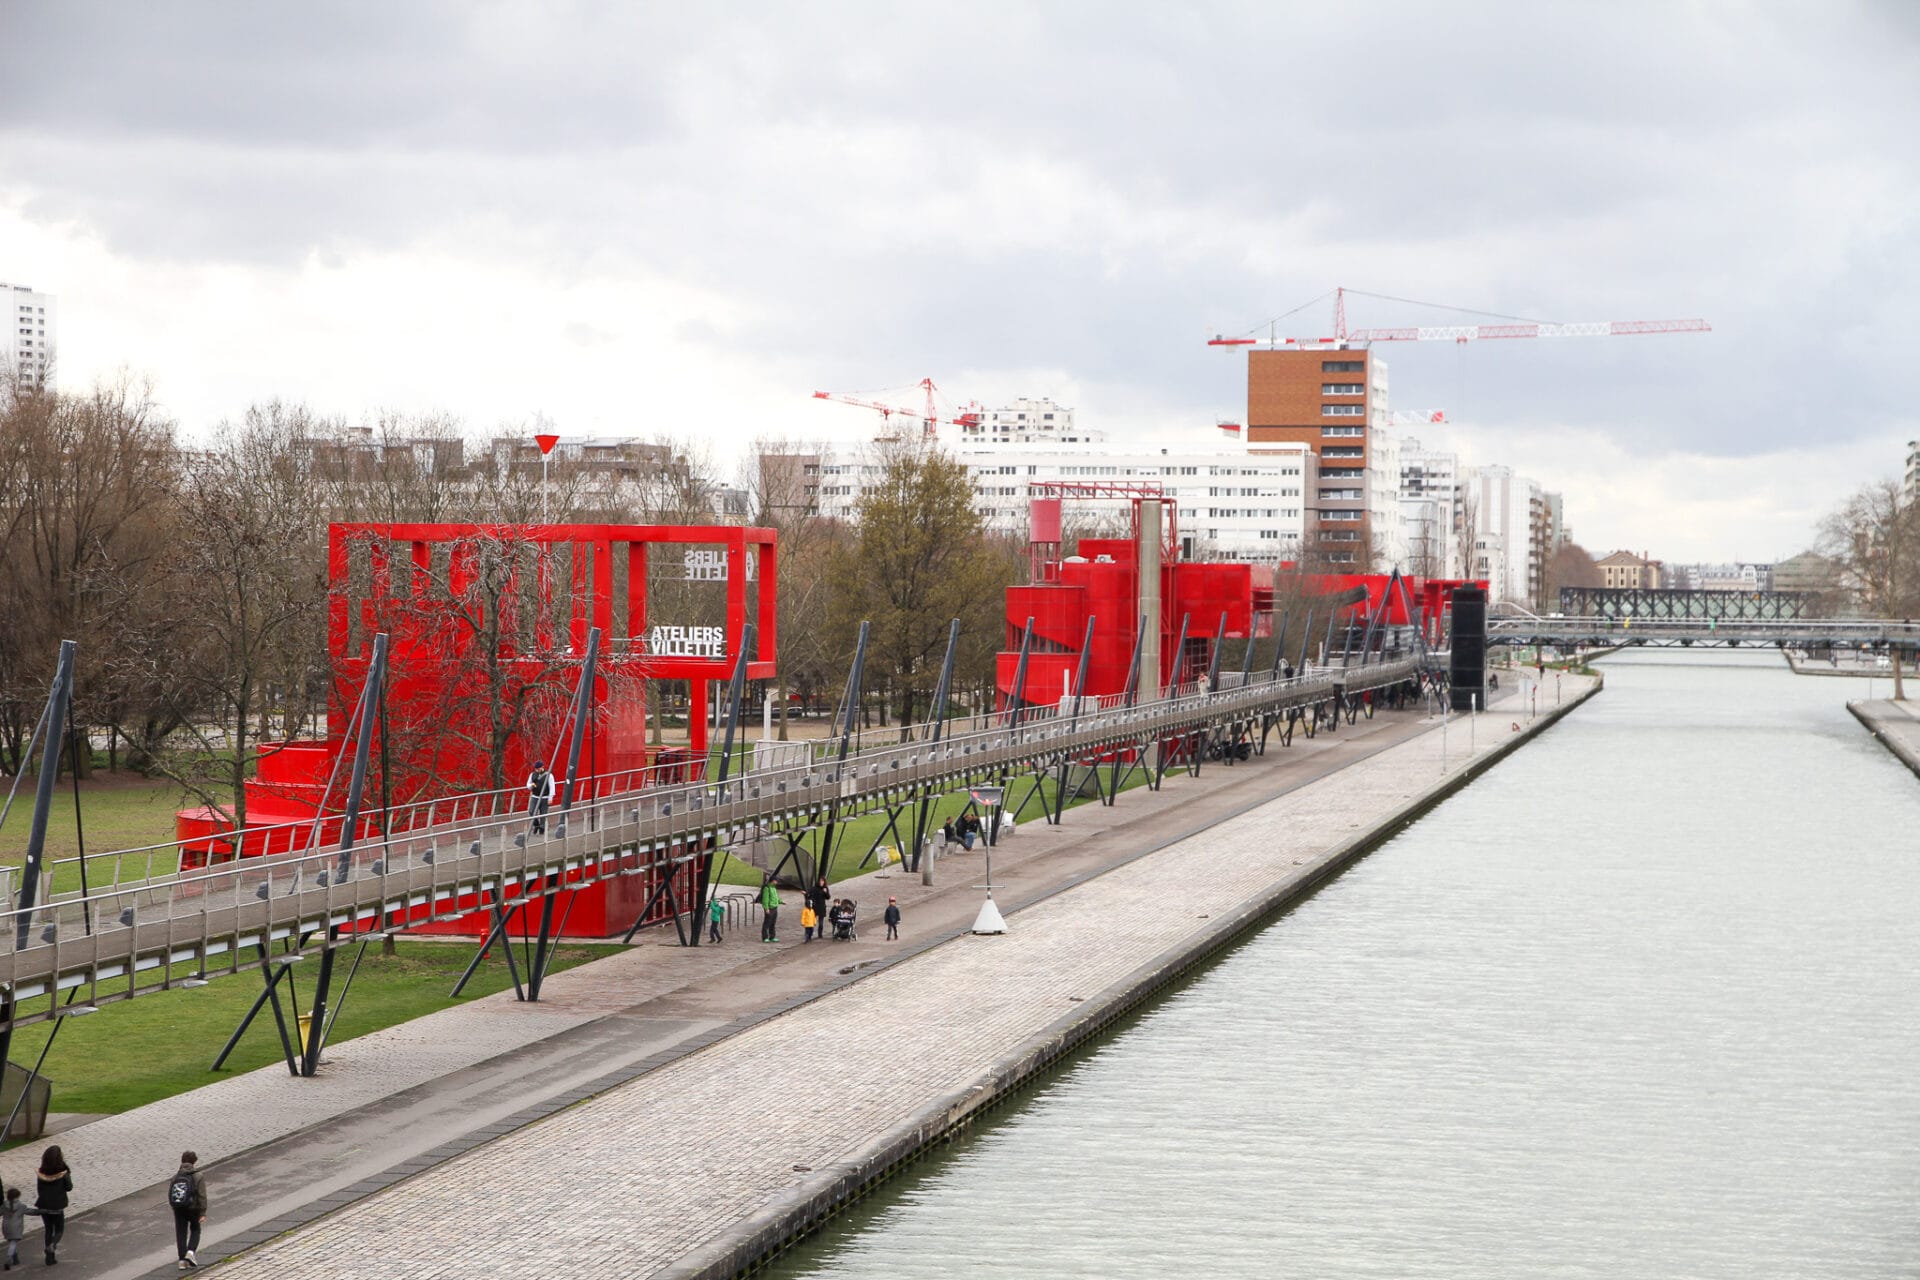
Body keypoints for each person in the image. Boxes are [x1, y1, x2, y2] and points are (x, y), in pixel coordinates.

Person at [166, 1151, 208, 1270]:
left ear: (182, 1161)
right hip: (193, 1208)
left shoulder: (175, 1177)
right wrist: (203, 1212)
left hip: (179, 1208)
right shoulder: (198, 1176)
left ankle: (182, 1261)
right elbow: (202, 1196)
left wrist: (175, 1208)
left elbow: (171, 1194)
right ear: (194, 1162)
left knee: (181, 1233)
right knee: (195, 1229)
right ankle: (190, 1252)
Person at [34, 1146, 71, 1266]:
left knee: (48, 1230)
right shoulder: (63, 1172)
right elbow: (69, 1187)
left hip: (44, 1205)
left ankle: (49, 1258)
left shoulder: (41, 1172)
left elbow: (39, 1189)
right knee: (59, 1229)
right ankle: (52, 1246)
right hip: (57, 1205)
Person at [2, 1186, 38, 1270]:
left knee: (11, 1242)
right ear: (18, 1196)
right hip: (16, 1227)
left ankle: (15, 1259)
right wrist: (41, 1212)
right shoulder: (21, 1206)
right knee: (13, 1242)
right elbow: (31, 1212)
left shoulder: (3, 1206)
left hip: (6, 1226)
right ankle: (9, 1258)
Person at [526, 762, 557, 836]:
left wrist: (550, 798)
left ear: (542, 767)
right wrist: (531, 785)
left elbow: (552, 787)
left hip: (545, 797)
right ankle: (536, 825)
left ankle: (542, 829)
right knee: (531, 811)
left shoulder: (549, 775)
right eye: (536, 769)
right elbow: (528, 785)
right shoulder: (532, 775)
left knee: (543, 814)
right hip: (535, 797)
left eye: (538, 768)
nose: (537, 770)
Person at [759, 878, 780, 942]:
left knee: (773, 923)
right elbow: (765, 899)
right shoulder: (767, 888)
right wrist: (766, 908)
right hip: (770, 908)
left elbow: (776, 897)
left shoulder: (774, 888)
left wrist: (780, 901)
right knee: (767, 922)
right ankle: (765, 937)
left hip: (775, 907)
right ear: (773, 881)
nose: (777, 882)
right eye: (776, 880)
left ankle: (772, 936)